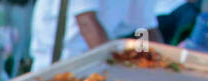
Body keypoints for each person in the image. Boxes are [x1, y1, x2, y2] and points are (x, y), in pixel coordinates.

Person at [29, 0, 167, 69]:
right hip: (60, 65)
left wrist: (159, 66)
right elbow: (86, 22)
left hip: (96, 64)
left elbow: (144, 30)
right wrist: (114, 72)